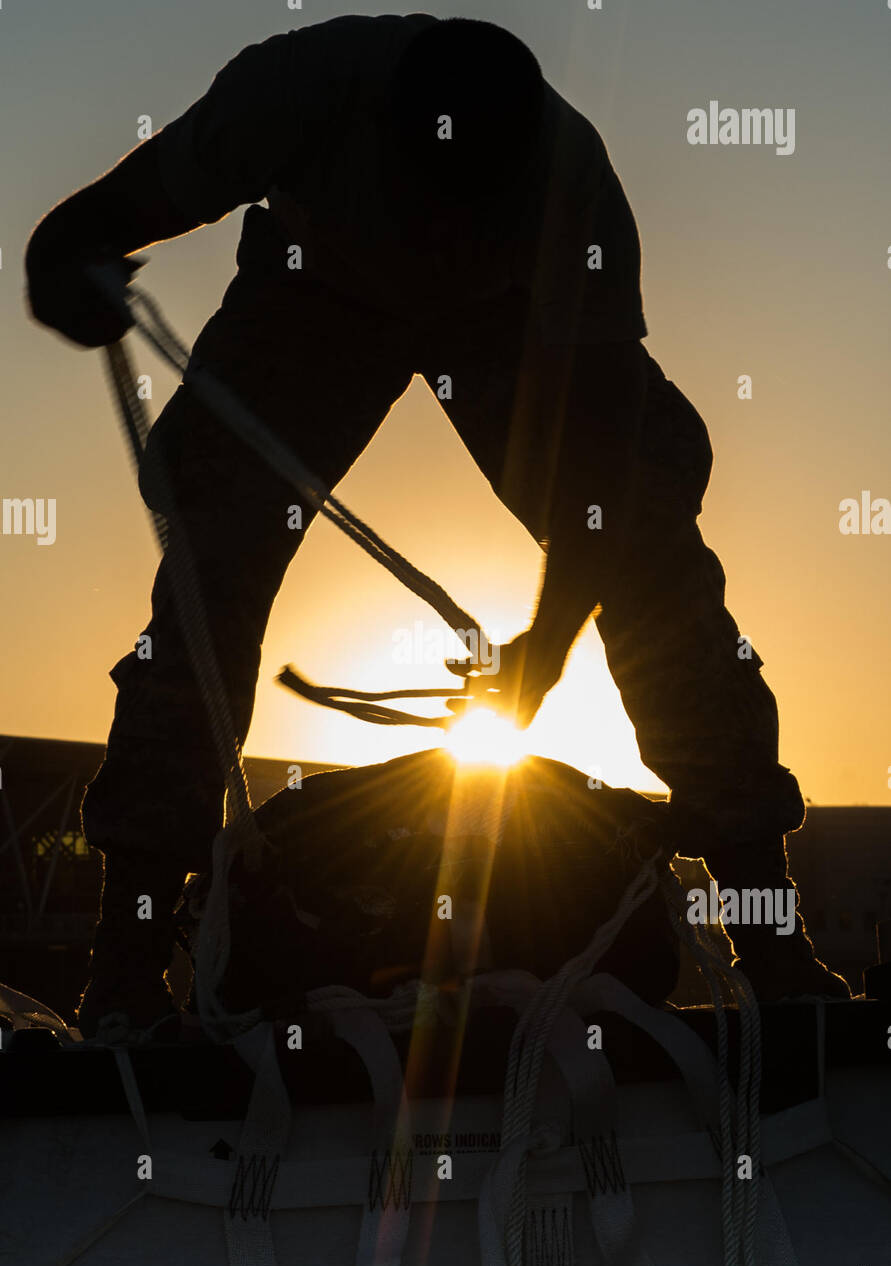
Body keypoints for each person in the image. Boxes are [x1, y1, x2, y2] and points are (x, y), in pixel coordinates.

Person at [25, 15, 849, 1038]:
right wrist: (71, 259)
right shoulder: (291, 93)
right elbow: (98, 221)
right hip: (312, 294)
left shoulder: (570, 191)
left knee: (660, 579)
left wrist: (545, 650)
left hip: (512, 321)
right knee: (205, 593)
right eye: (430, 212)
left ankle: (773, 945)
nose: (442, 241)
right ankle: (126, 968)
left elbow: (603, 488)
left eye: (471, 217)